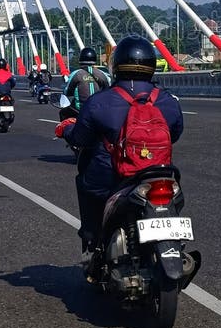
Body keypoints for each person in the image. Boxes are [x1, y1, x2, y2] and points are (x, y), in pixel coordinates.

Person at [56, 35, 183, 256]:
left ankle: (93, 238)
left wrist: (65, 129)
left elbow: (80, 139)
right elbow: (175, 133)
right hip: (159, 173)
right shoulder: (168, 101)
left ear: (117, 66)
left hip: (112, 176)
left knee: (87, 186)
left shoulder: (99, 102)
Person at [62, 47, 110, 115]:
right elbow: (109, 90)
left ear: (81, 59)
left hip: (80, 111)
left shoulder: (76, 74)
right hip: (100, 111)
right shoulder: (103, 75)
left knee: (63, 113)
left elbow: (67, 91)